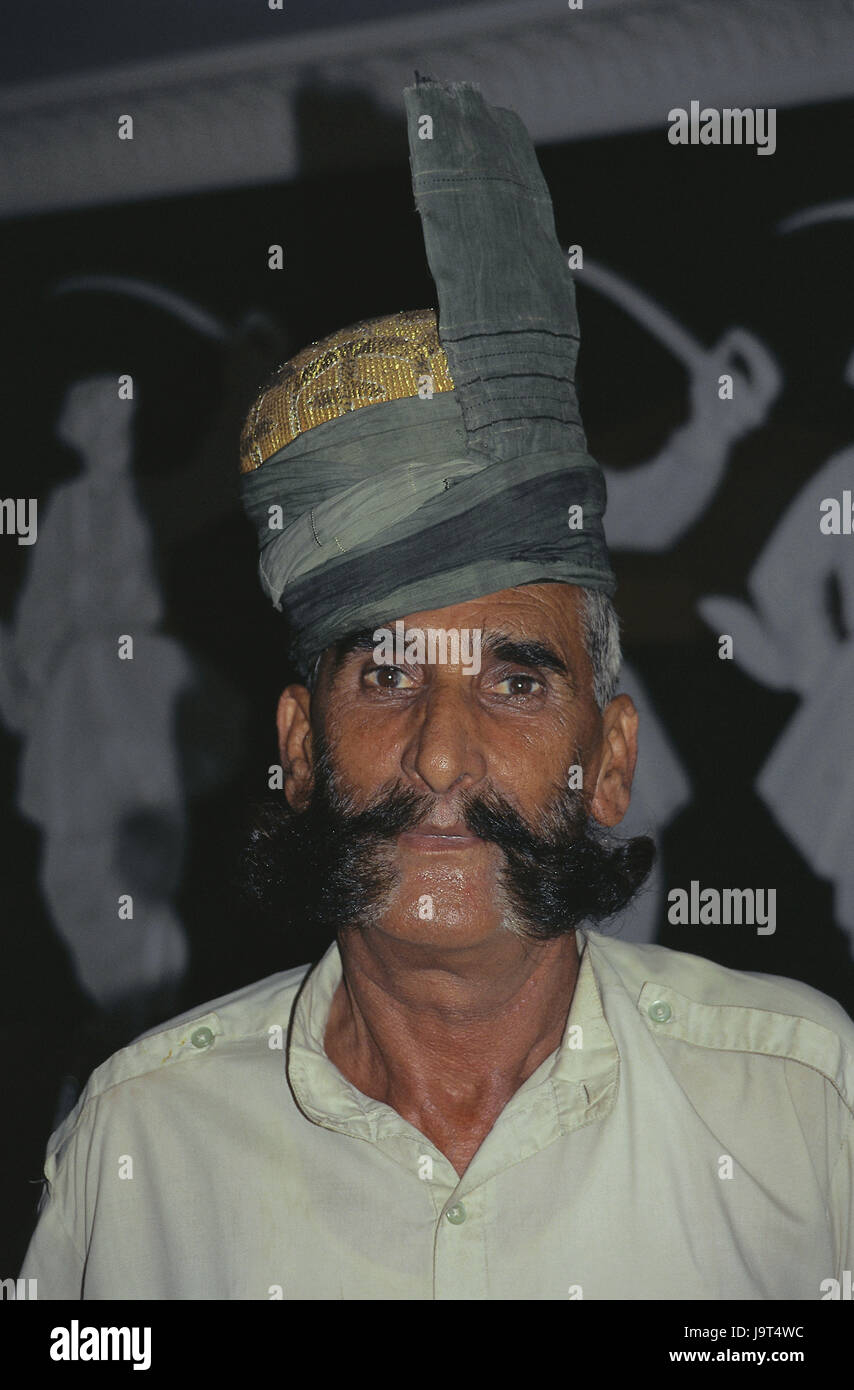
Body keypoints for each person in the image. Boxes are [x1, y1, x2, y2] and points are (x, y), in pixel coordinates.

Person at [20, 77, 854, 1300]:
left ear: (611, 756)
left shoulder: (802, 1105)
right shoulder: (139, 1146)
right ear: (299, 748)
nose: (443, 756)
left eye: (515, 682)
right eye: (387, 673)